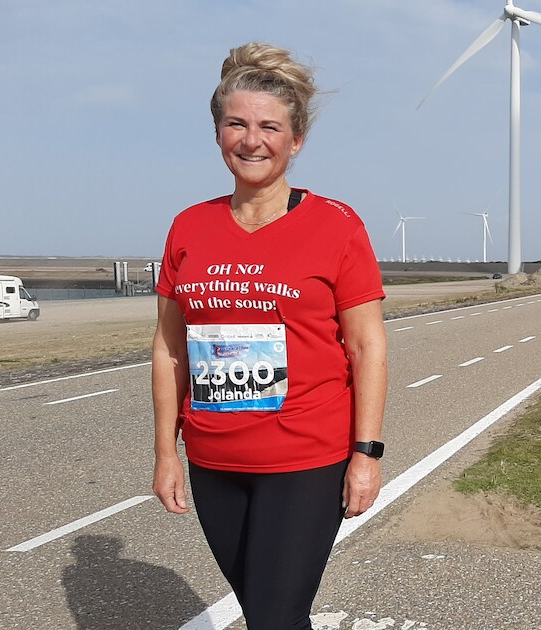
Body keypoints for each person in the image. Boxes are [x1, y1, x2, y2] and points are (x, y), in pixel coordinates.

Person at [151, 42, 388, 629]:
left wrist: (366, 454)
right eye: (236, 123)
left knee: (275, 618)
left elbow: (367, 346)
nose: (250, 140)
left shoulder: (336, 224)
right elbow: (168, 348)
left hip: (305, 459)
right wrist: (165, 453)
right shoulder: (188, 227)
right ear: (217, 133)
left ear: (296, 139)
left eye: (268, 126)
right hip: (214, 458)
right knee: (268, 614)